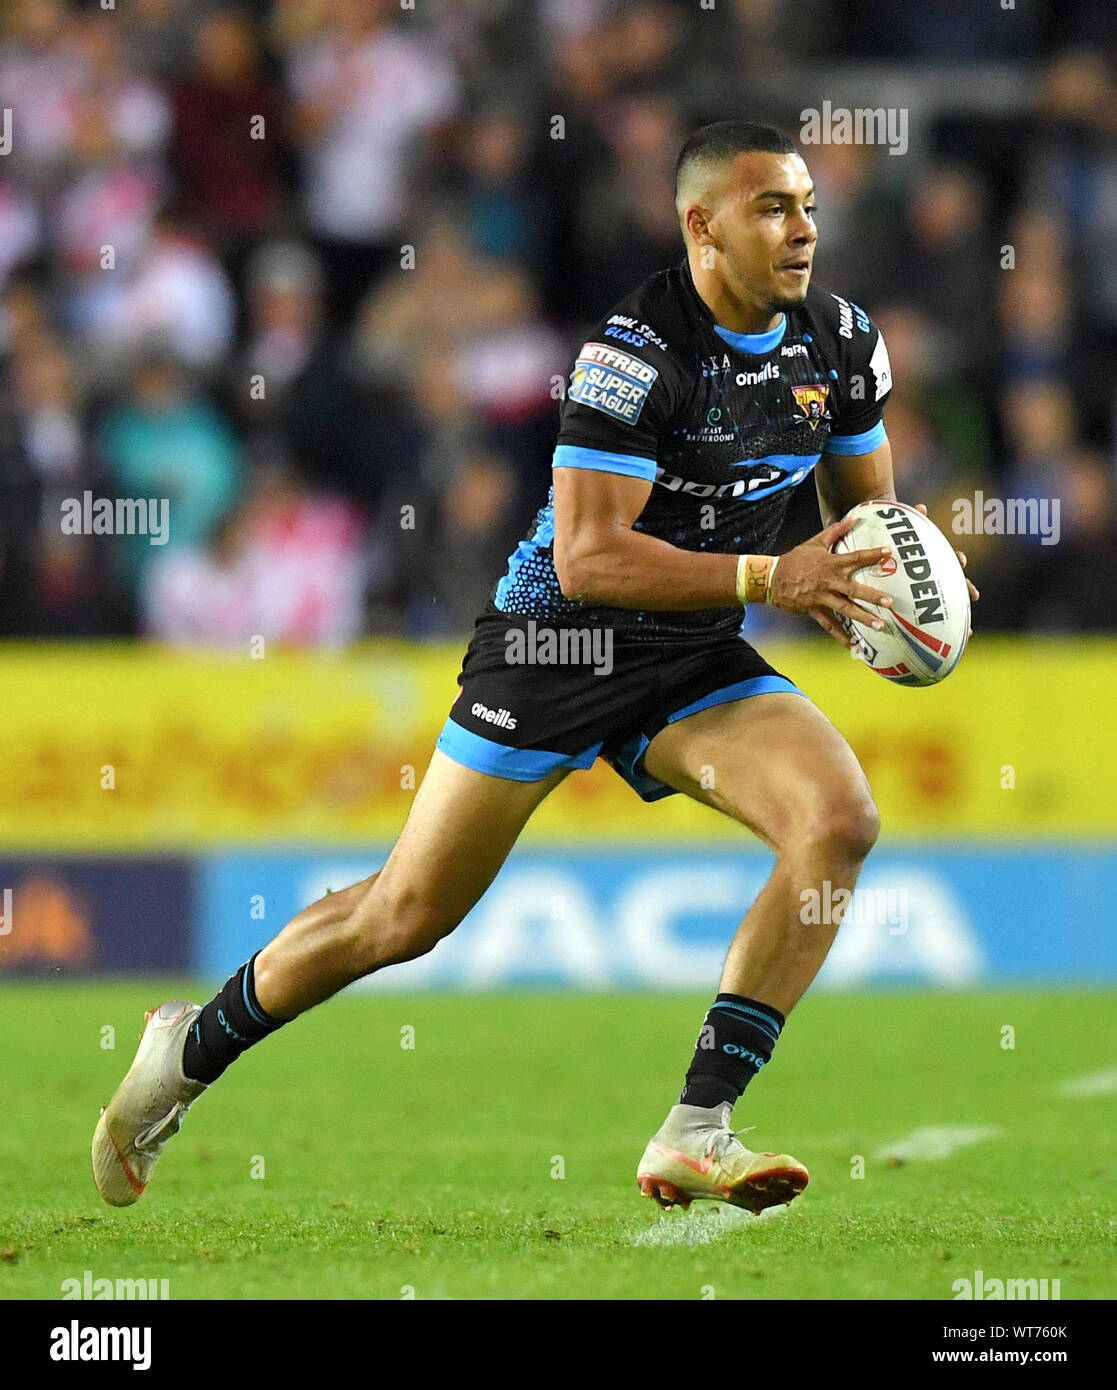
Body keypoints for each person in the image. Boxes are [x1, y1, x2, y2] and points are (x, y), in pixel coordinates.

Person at [93, 121, 977, 1215]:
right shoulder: (633, 353)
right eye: (771, 208)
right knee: (404, 915)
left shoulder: (839, 342)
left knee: (838, 820)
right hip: (555, 644)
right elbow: (590, 554)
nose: (802, 229)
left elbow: (865, 517)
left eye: (805, 206)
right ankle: (187, 1048)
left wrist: (908, 579)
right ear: (701, 226)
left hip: (690, 650)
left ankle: (699, 1126)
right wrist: (770, 578)